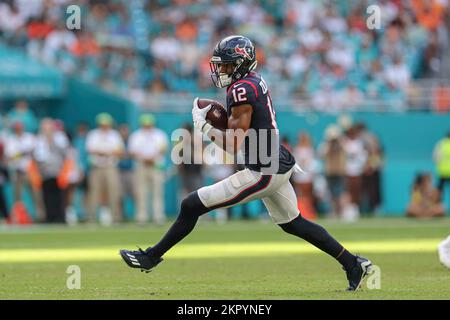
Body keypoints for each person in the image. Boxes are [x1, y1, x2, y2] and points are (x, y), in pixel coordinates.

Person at [120, 35, 372, 291]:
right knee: (293, 223)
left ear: (241, 63)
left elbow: (233, 144)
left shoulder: (241, 89)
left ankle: (151, 256)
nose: (221, 70)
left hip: (263, 170)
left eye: (227, 65)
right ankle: (353, 263)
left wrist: (204, 127)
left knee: (190, 204)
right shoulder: (253, 81)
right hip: (276, 161)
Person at [129, 114, 169, 225]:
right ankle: (142, 217)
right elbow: (132, 151)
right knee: (141, 192)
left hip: (156, 166)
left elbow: (163, 148)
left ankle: (158, 216)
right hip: (141, 166)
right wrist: (144, 158)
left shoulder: (159, 134)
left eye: (149, 124)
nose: (147, 126)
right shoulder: (136, 135)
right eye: (145, 125)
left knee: (158, 192)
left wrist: (153, 157)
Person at [85, 113, 124, 224]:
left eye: (106, 124)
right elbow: (90, 149)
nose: (104, 126)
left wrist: (104, 152)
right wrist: (106, 152)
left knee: (114, 192)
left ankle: (116, 217)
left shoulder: (114, 135)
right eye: (102, 124)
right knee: (94, 192)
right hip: (96, 167)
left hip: (111, 166)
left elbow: (120, 151)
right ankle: (91, 217)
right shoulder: (93, 134)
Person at [33, 118, 69, 223]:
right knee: (46, 196)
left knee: (60, 196)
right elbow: (37, 155)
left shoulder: (60, 137)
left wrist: (51, 140)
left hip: (59, 171)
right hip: (45, 172)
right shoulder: (39, 139)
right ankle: (49, 217)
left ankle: (61, 217)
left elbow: (65, 153)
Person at [433, 131, 450, 210]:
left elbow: (435, 158)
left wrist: (439, 165)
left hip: (442, 172)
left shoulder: (441, 144)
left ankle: (438, 208)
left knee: (439, 192)